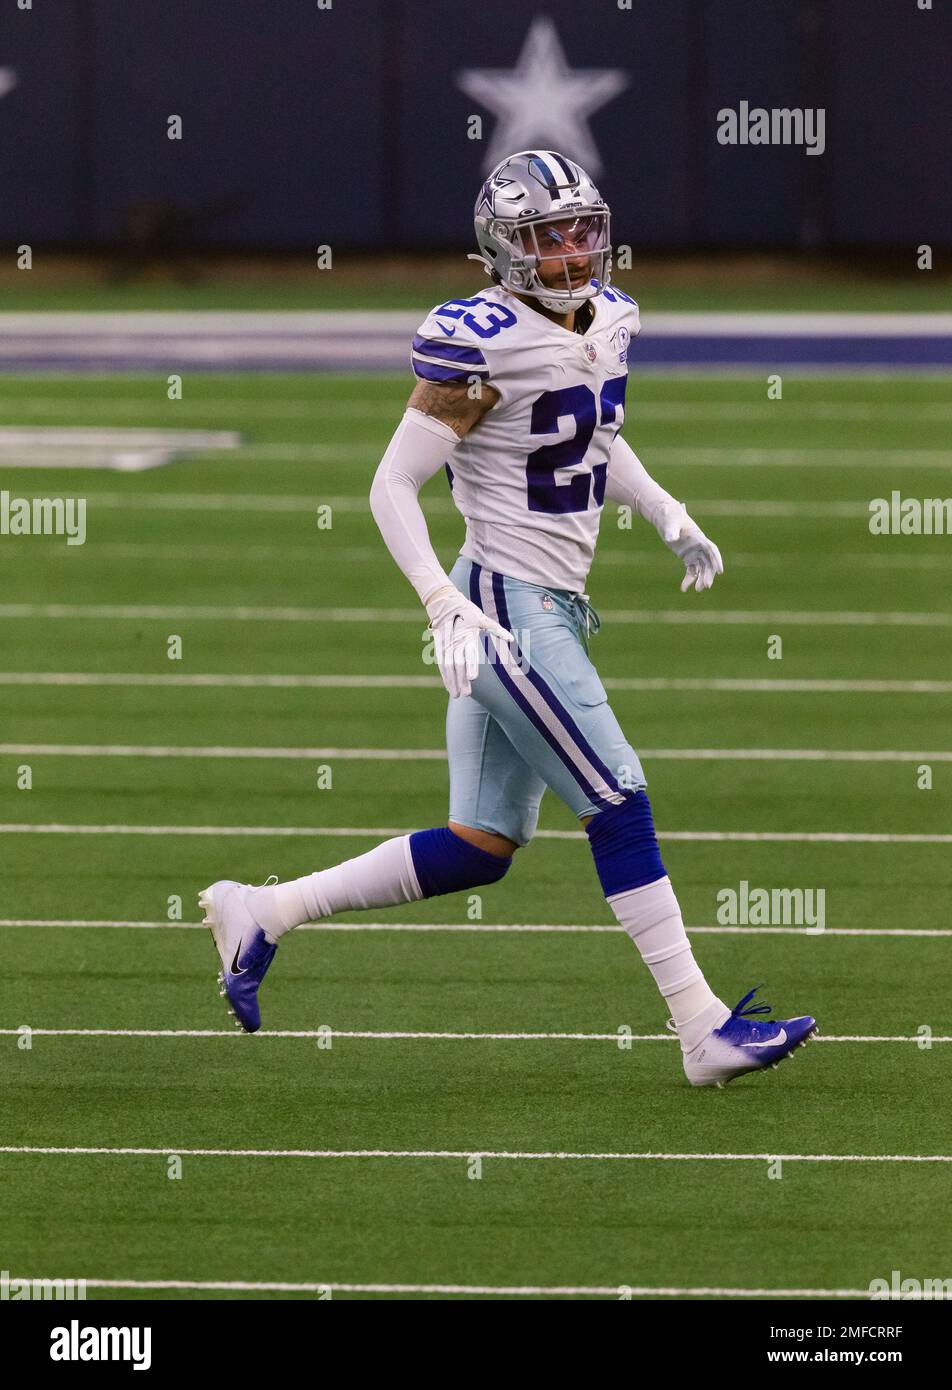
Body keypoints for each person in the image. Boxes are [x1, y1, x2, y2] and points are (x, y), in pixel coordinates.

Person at [200, 149, 816, 1086]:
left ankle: (263, 910)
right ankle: (702, 1029)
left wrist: (667, 511)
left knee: (481, 848)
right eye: (547, 237)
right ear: (503, 249)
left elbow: (592, 437)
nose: (571, 252)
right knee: (617, 796)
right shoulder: (478, 337)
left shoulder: (609, 318)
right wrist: (441, 601)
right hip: (500, 608)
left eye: (582, 231)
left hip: (549, 599)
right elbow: (391, 485)